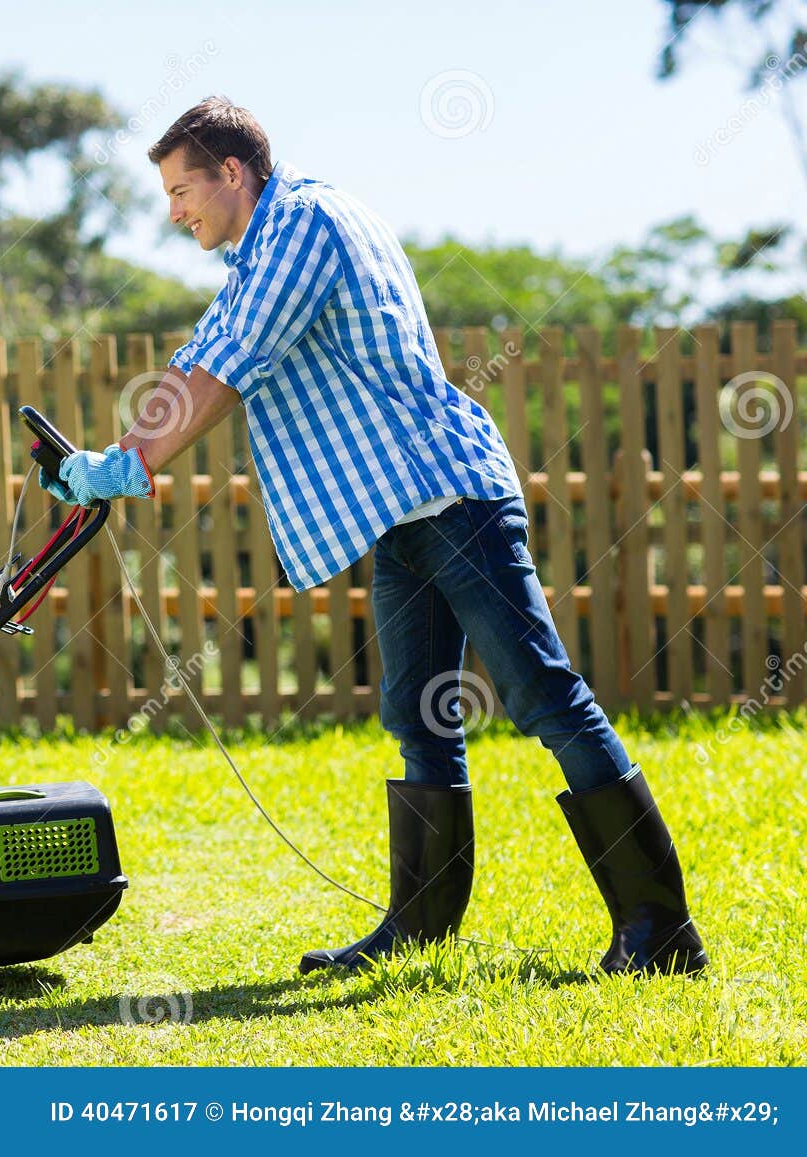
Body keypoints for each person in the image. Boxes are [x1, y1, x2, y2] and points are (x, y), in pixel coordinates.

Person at [38, 96, 706, 976]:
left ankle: (661, 932)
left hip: (453, 497)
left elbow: (235, 362)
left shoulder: (306, 222)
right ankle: (419, 928)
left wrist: (134, 463)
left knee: (542, 695)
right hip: (397, 512)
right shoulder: (255, 254)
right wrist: (113, 456)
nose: (173, 211)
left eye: (181, 189)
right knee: (417, 717)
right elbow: (203, 351)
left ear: (233, 172)